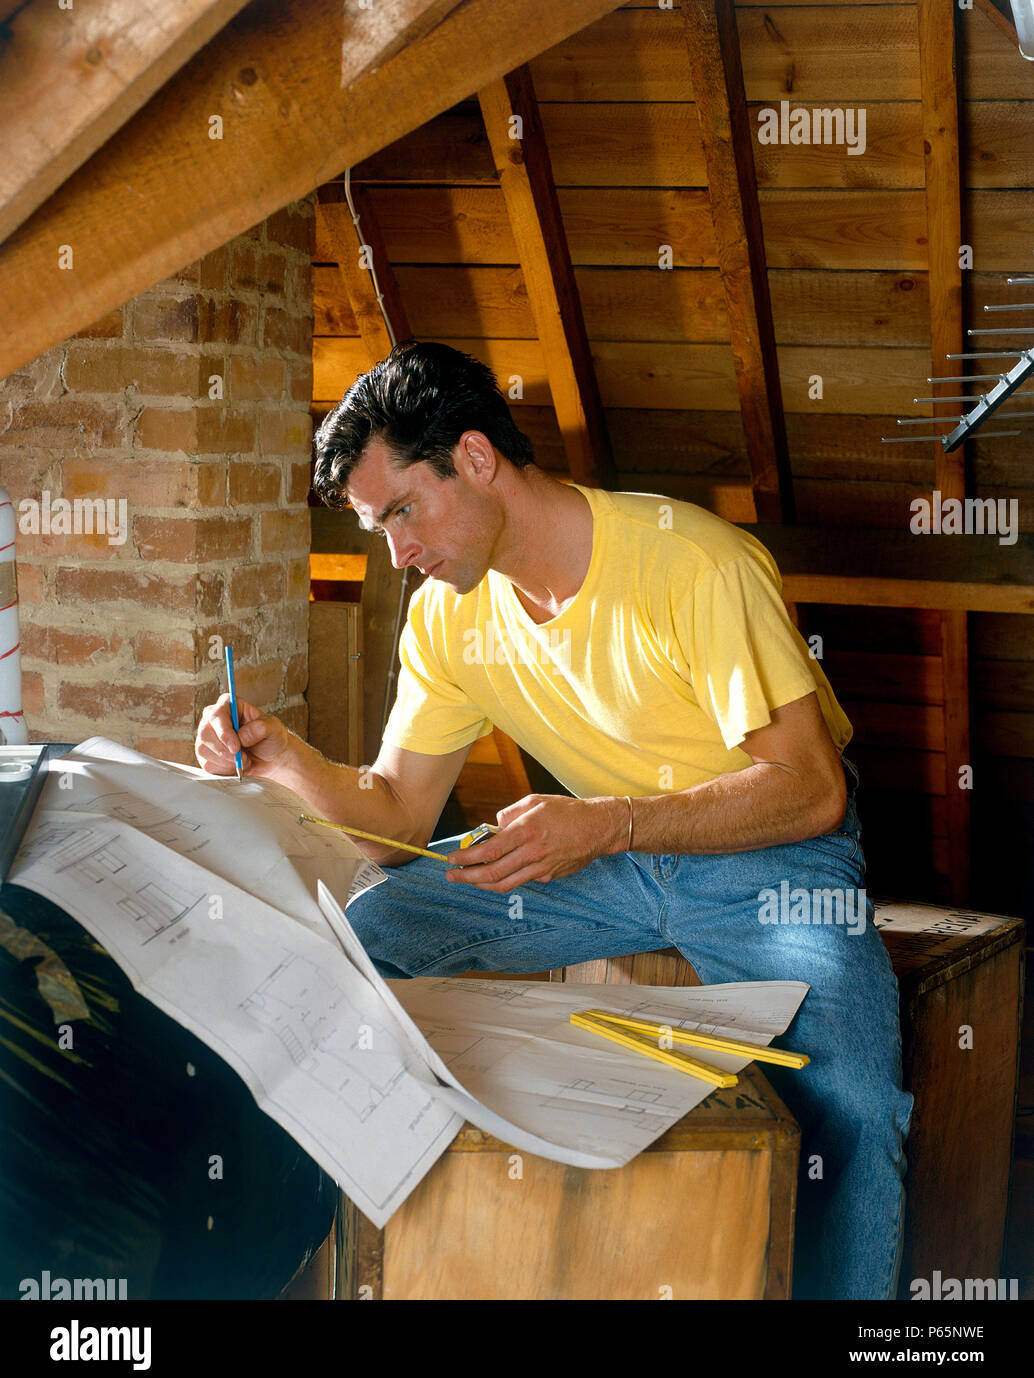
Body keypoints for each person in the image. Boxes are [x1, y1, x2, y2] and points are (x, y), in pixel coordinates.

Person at [194, 341, 913, 1300]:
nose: (396, 550)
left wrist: (609, 825)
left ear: (479, 459)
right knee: (365, 938)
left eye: (402, 510)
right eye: (376, 527)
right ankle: (366, 1253)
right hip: (594, 855)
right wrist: (288, 759)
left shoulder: (692, 562)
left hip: (768, 856)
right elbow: (397, 814)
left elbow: (811, 789)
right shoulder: (447, 616)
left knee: (857, 1105)